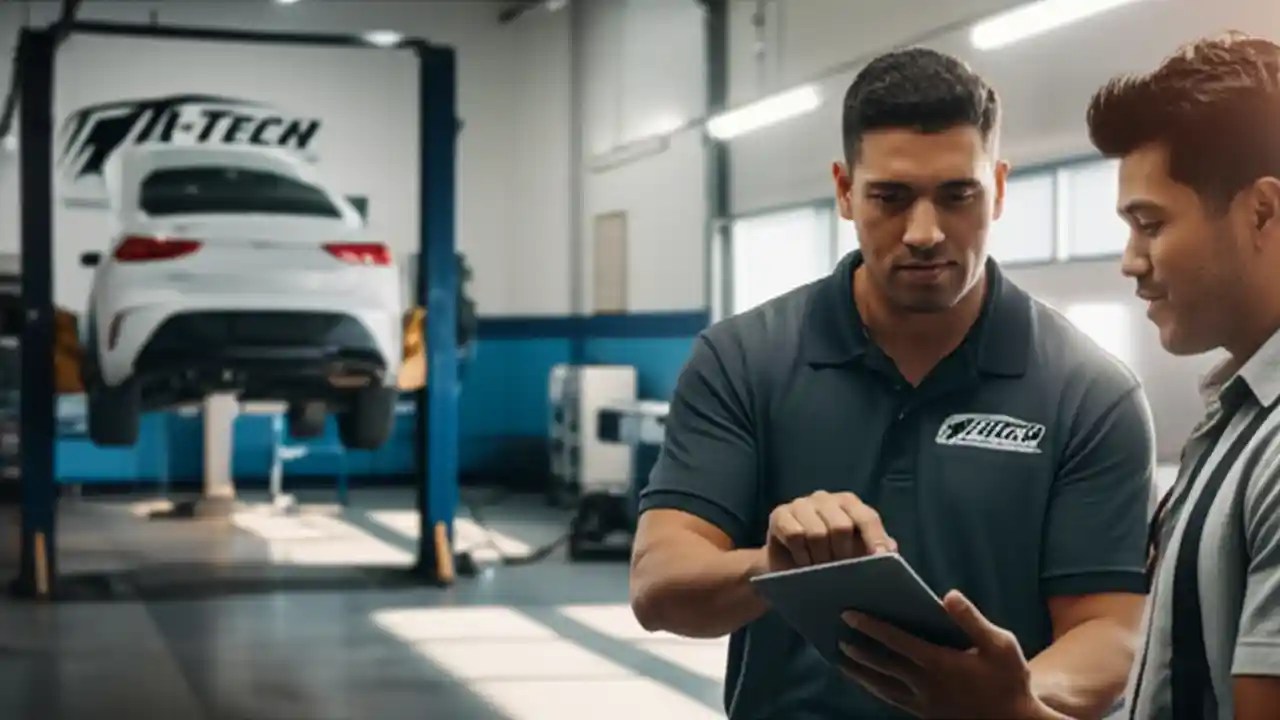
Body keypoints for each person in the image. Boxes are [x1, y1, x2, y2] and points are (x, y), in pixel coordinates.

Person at [628, 46, 1154, 720]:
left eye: (957, 195)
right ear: (846, 191)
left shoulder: (1088, 390)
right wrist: (774, 568)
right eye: (891, 197)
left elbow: (1109, 627)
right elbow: (659, 583)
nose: (925, 232)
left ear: (997, 186)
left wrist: (1006, 702)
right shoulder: (744, 359)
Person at [1086, 32, 1280, 720]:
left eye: (1149, 224)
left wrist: (1004, 708)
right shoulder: (1238, 417)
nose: (1130, 262)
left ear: (1261, 211)